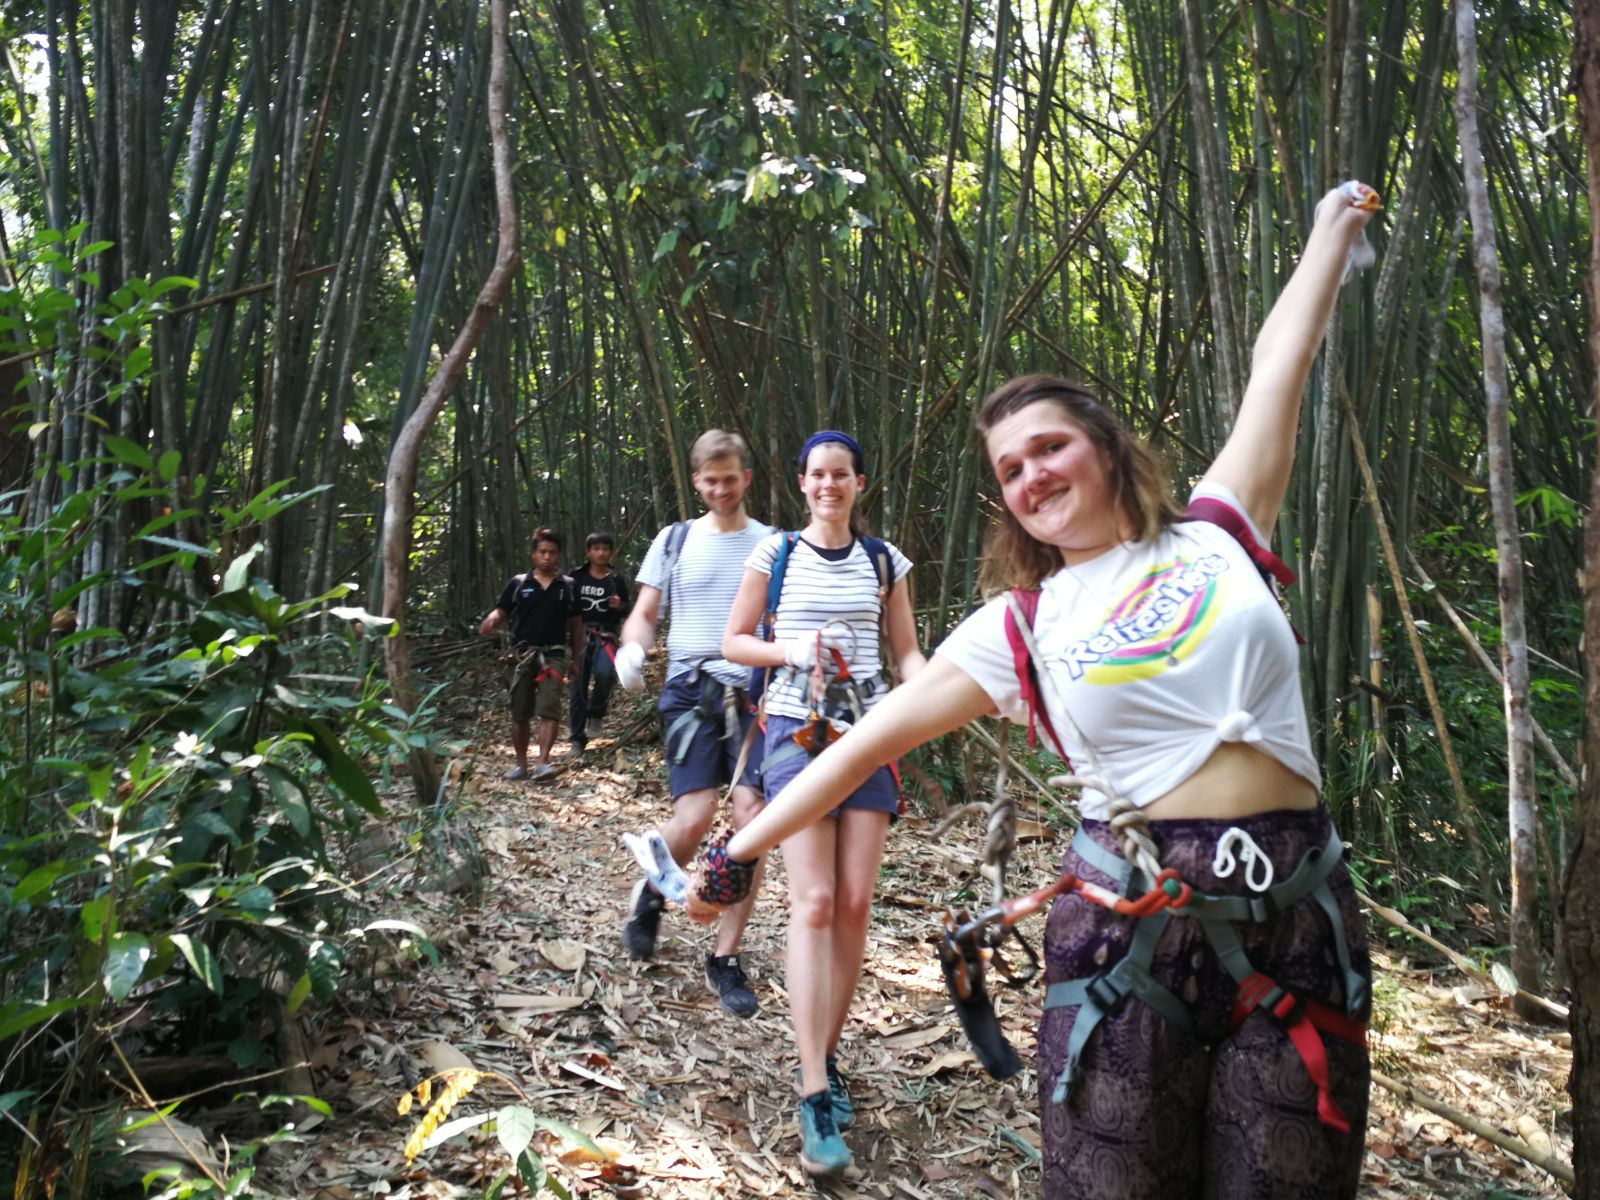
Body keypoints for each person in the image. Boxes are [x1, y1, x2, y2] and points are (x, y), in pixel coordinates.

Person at [686, 184, 1382, 1198]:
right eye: (1010, 469)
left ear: (1102, 445)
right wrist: (732, 854)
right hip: (1130, 929)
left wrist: (1328, 233)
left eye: (1049, 446)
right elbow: (858, 747)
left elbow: (1281, 366)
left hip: (1300, 915)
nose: (1032, 475)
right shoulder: (1021, 624)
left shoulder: (1218, 532)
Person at [719, 430, 926, 1179]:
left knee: (854, 903)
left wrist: (943, 693)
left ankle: (827, 1057)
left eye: (842, 475)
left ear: (859, 484)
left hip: (868, 736)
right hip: (794, 733)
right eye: (818, 475)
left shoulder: (884, 561)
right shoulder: (773, 556)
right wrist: (790, 650)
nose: (829, 485)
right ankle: (811, 1091)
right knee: (811, 902)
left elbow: (907, 656)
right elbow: (734, 641)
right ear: (802, 483)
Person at [614, 430, 773, 1017]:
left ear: (746, 478)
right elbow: (645, 614)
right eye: (710, 480)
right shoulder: (674, 539)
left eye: (730, 478)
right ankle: (656, 889)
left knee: (752, 820)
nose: (721, 488)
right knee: (695, 815)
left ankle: (726, 957)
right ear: (697, 482)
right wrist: (632, 651)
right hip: (688, 688)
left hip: (756, 691)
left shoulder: (774, 544)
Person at [480, 528, 582, 782]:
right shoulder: (518, 583)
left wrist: (576, 659)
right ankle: (521, 764)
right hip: (523, 655)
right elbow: (501, 610)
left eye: (552, 552)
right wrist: (491, 620)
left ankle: (543, 762)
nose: (547, 557)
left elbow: (576, 624)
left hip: (554, 655)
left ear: (558, 555)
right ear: (533, 554)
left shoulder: (567, 586)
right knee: (520, 711)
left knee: (549, 709)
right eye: (542, 552)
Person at [569, 531, 631, 751]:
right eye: (596, 549)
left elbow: (628, 609)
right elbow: (565, 607)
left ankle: (596, 714)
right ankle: (577, 739)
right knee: (578, 686)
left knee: (605, 674)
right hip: (580, 634)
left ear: (611, 552)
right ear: (588, 552)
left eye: (605, 549)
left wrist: (620, 606)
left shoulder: (616, 579)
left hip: (606, 635)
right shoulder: (576, 577)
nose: (601, 553)